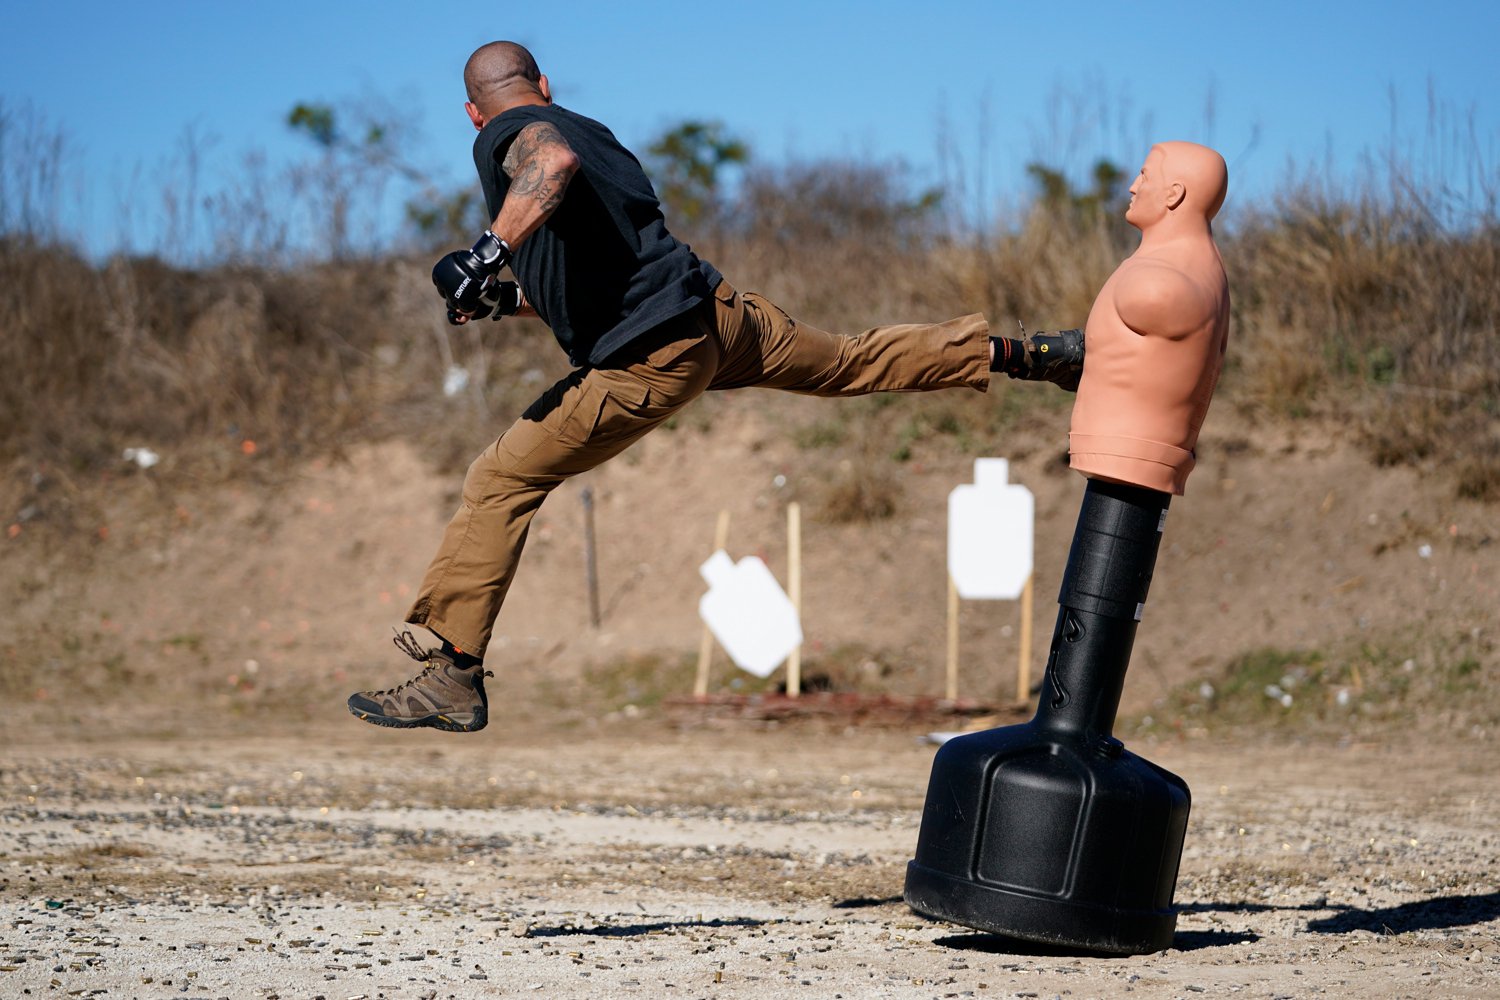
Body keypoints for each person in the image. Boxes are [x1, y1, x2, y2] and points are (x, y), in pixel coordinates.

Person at [347, 41, 1080, 733]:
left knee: (499, 477)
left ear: (475, 112)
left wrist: (485, 252)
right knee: (850, 361)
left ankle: (454, 673)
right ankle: (1027, 352)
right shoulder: (589, 131)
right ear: (546, 82)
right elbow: (601, 275)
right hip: (718, 319)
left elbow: (549, 159)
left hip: (651, 356)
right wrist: (503, 297)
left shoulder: (514, 135)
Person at [1067, 141, 1230, 495]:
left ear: (1174, 194)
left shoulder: (1160, 282)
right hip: (1127, 452)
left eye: (1144, 175)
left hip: (1126, 452)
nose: (1133, 186)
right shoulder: (1198, 271)